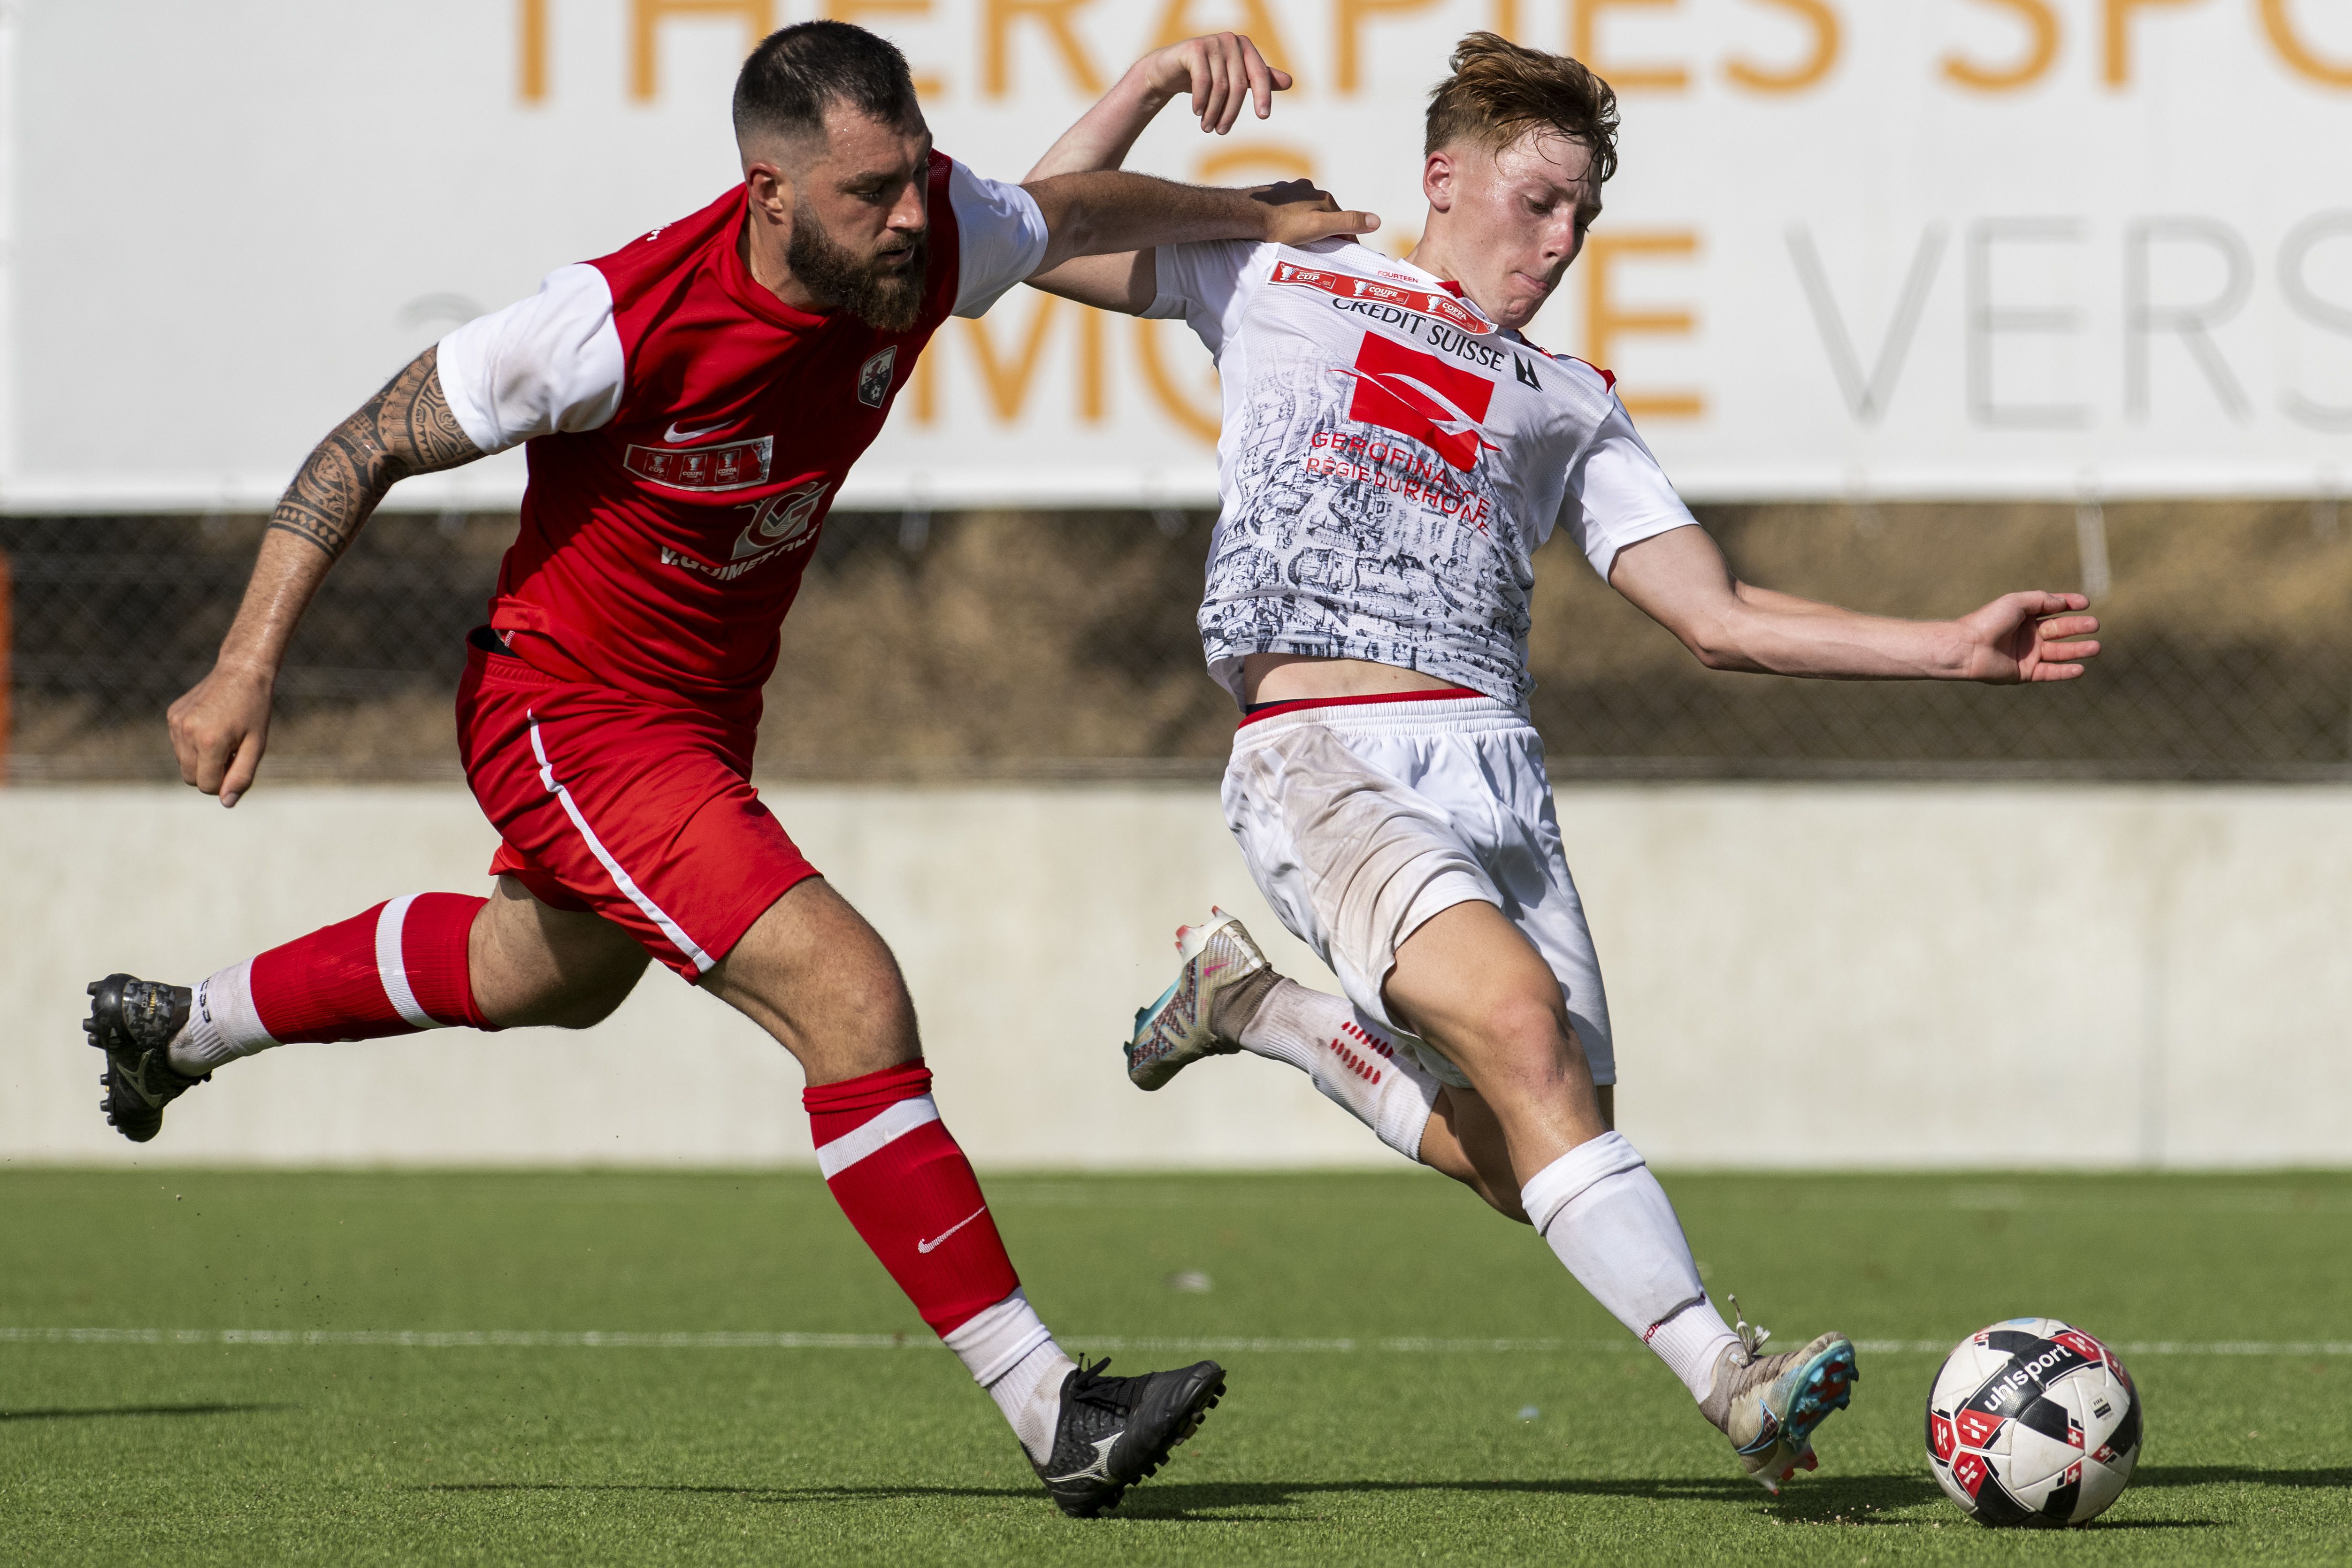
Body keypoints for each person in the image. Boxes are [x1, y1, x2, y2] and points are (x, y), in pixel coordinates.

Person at [81, 23, 1375, 1519]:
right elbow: (360, 446)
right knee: (848, 991)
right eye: (868, 191)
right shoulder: (611, 321)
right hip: (570, 717)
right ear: (765, 189)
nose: (909, 214)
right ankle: (1052, 1405)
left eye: (914, 177)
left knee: (542, 973)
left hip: (700, 721)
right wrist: (244, 667)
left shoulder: (925, 235)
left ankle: (181, 1029)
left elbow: (1063, 218)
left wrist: (1244, 207)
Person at [1025, 31, 2101, 1492]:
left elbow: (1716, 616)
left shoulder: (1567, 397)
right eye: (1537, 200)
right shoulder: (1281, 268)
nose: (1561, 238)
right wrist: (1159, 82)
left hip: (1496, 770)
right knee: (1524, 1039)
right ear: (1441, 180)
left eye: (1583, 214)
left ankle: (1261, 1011)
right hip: (1321, 755)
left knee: (1528, 1142)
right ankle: (1732, 1376)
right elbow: (1040, 222)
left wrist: (1948, 647)